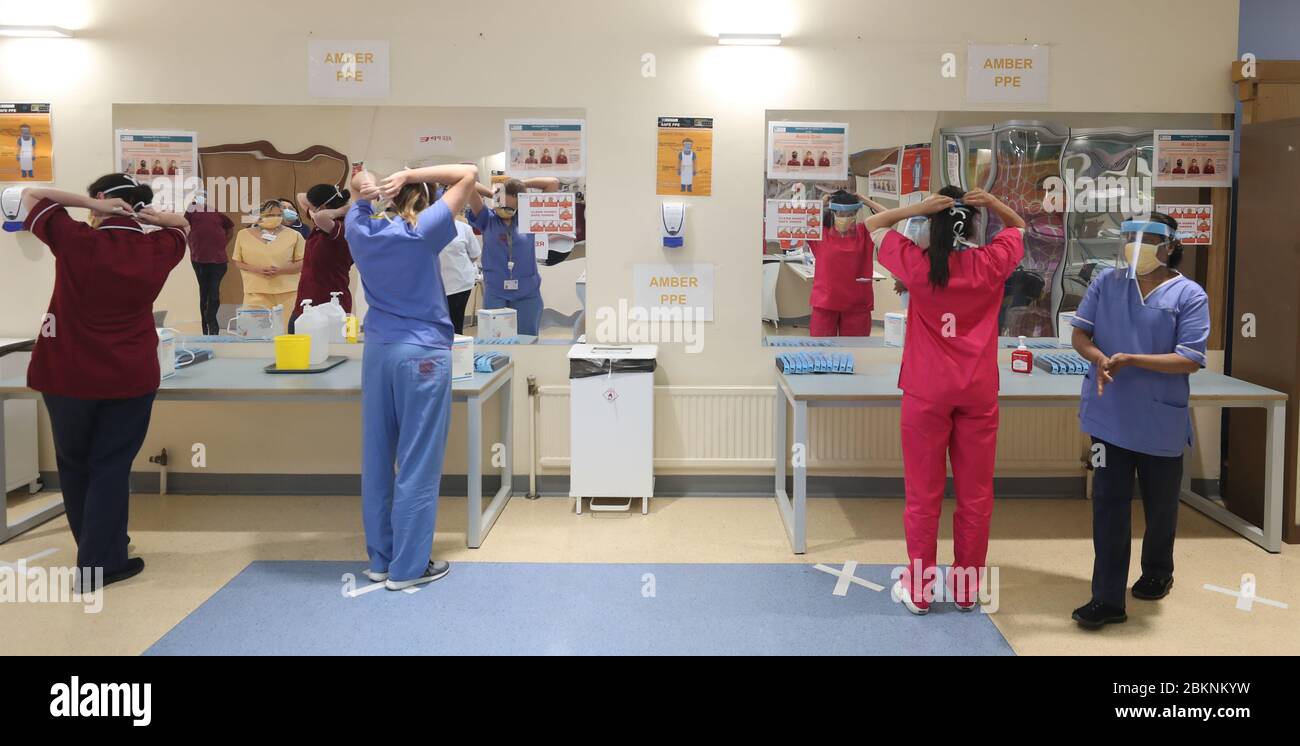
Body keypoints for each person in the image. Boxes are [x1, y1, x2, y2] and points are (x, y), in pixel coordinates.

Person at [18, 174, 189, 590]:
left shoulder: (75, 239)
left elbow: (29, 194)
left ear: (101, 202)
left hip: (65, 376)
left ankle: (97, 554)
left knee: (74, 465)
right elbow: (184, 225)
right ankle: (102, 560)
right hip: (128, 378)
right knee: (110, 467)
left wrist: (91, 206)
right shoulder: (158, 248)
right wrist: (157, 216)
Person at [866, 185, 1026, 614]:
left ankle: (918, 591)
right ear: (974, 224)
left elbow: (870, 227)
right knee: (975, 495)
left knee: (923, 494)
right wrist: (993, 202)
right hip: (977, 392)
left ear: (931, 225)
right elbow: (1019, 226)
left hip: (926, 392)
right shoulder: (991, 262)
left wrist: (915, 207)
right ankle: (966, 589)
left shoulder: (918, 265)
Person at [1068, 212, 1209, 629]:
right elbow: (1081, 335)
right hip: (1109, 416)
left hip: (1159, 421)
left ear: (1170, 246)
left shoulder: (1189, 295)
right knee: (1108, 507)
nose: (1137, 244)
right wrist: (1098, 358)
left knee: (1160, 507)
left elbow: (1190, 359)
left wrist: (1131, 359)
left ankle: (1157, 571)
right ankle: (1107, 598)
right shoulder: (1107, 283)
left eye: (1148, 237)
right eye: (1130, 236)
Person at [345, 163, 478, 590]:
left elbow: (356, 197)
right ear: (422, 196)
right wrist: (411, 172)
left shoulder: (361, 231)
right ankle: (408, 569)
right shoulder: (424, 231)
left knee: (378, 458)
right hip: (421, 353)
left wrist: (364, 187)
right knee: (418, 461)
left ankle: (381, 560)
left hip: (379, 351)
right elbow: (468, 174)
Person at [466, 176, 559, 337]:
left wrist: (520, 184)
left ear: (520, 204)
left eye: (509, 207)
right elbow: (467, 183)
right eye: (501, 205)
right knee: (496, 346)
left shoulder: (529, 219)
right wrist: (495, 192)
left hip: (527, 292)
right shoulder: (487, 219)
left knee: (527, 343)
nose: (504, 210)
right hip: (496, 292)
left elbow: (552, 183)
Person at [805, 190, 883, 337]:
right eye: (841, 214)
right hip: (825, 304)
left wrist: (866, 201)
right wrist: (821, 203)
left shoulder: (864, 232)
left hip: (857, 305)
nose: (845, 218)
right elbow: (797, 221)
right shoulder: (820, 234)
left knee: (856, 352)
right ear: (833, 213)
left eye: (850, 214)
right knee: (821, 353)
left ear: (855, 214)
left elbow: (892, 216)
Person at [289, 184, 354, 333]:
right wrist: (335, 202)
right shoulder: (322, 222)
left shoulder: (343, 228)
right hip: (304, 303)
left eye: (314, 207)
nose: (311, 211)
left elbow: (319, 217)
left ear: (323, 207)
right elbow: (300, 196)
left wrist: (342, 209)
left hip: (332, 305)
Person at [231, 199, 305, 329]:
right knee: (255, 332)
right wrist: (257, 269)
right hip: (255, 291)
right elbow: (238, 261)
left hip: (287, 293)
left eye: (278, 215)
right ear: (259, 216)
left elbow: (302, 262)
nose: (275, 218)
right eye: (270, 215)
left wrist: (281, 270)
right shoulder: (243, 235)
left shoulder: (294, 235)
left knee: (287, 331)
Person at [186, 190, 235, 335]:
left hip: (218, 261)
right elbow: (183, 226)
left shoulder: (214, 211)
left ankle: (212, 325)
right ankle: (205, 328)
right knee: (204, 293)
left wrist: (222, 245)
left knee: (212, 294)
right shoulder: (191, 210)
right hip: (200, 260)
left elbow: (230, 228)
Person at [440, 208, 481, 335]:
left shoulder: (464, 229)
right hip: (435, 286)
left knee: (455, 325)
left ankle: (458, 353)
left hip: (459, 285)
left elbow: (474, 254)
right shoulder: (424, 229)